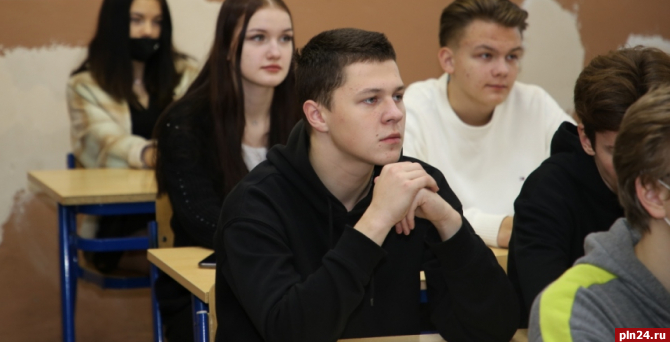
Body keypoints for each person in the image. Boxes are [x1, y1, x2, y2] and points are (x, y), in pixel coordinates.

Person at [215, 28, 519, 342]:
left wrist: (450, 224)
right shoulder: (255, 204)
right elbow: (290, 332)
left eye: (398, 96)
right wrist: (377, 220)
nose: (394, 114)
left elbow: (492, 331)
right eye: (371, 99)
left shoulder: (415, 183)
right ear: (318, 116)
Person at [154, 0, 299, 342]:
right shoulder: (185, 123)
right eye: (258, 38)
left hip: (292, 274)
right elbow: (204, 219)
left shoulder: (307, 114)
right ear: (227, 48)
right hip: (206, 286)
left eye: (285, 38)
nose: (275, 51)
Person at [509, 47, 670, 325]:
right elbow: (560, 320)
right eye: (619, 153)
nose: (641, 174)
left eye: (656, 157)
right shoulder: (547, 193)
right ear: (586, 138)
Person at [402, 0, 572, 247]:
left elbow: (584, 175)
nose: (502, 70)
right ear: (448, 60)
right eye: (486, 55)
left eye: (512, 56)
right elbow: (414, 203)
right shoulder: (413, 109)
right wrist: (500, 228)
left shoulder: (534, 103)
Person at [66, 0, 198, 272]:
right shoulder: (85, 86)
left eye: (157, 22)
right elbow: (102, 143)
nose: (148, 31)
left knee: (204, 243)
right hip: (118, 217)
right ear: (114, 24)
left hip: (182, 204)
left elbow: (202, 131)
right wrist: (150, 154)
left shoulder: (187, 73)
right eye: (137, 20)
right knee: (177, 256)